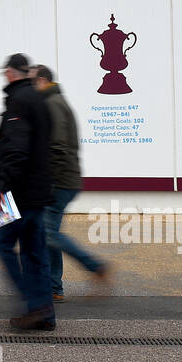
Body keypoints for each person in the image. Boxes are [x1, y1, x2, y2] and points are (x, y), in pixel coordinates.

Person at [33, 65, 110, 300]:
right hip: (64, 179)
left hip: (59, 181)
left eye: (33, 82)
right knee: (50, 232)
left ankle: (96, 267)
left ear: (43, 81)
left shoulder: (52, 104)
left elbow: (56, 146)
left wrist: (48, 179)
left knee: (46, 232)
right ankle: (55, 288)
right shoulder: (55, 101)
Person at [0, 53, 56, 331]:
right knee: (34, 252)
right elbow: (39, 141)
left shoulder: (18, 100)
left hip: (20, 192)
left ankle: (36, 306)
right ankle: (45, 315)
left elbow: (18, 149)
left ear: (10, 73)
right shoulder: (39, 99)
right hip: (39, 189)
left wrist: (2, 185)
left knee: (3, 245)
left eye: (5, 72)